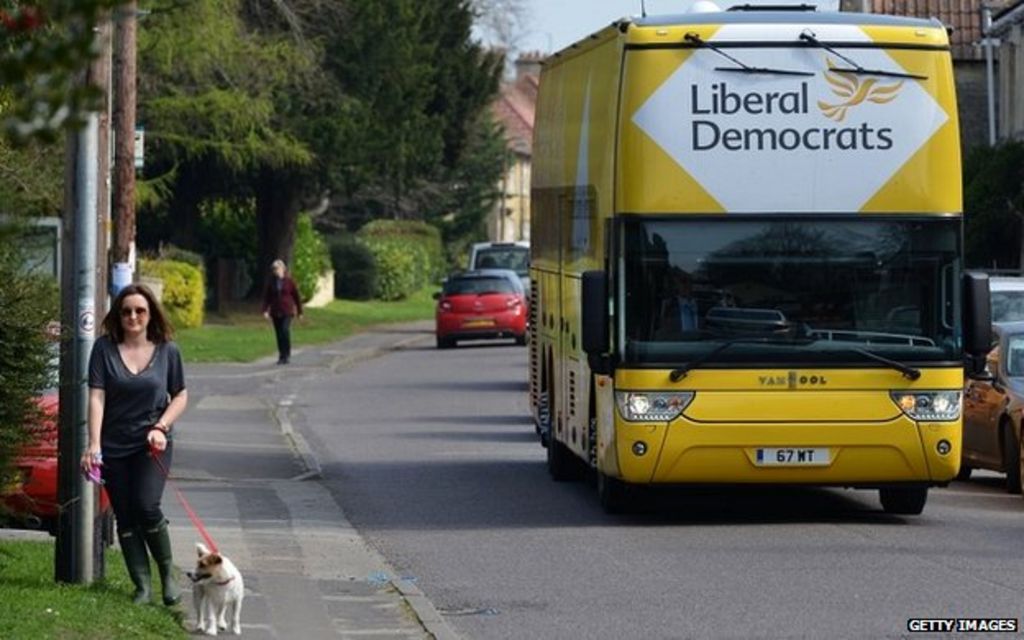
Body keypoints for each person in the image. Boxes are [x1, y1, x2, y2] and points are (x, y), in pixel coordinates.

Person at [80, 283, 188, 605]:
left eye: (140, 310)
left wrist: (161, 426)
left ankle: (167, 576)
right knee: (125, 515)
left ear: (150, 313)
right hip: (113, 446)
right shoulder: (103, 348)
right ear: (118, 314)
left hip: (152, 444)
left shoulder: (168, 350)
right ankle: (142, 587)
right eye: (126, 311)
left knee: (146, 505)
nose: (133, 316)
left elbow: (180, 395)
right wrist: (94, 444)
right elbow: (97, 397)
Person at [262, 259, 303, 365]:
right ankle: (281, 355)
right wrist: (265, 310)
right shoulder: (271, 282)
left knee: (285, 331)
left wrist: (300, 311)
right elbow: (267, 297)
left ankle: (287, 354)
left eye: (278, 269)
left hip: (287, 311)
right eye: (274, 269)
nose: (276, 271)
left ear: (283, 269)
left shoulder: (289, 281)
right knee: (279, 333)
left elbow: (296, 296)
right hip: (275, 311)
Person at [657, 269, 700, 337]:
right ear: (676, 285)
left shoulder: (702, 304)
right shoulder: (668, 305)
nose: (687, 285)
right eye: (683, 282)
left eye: (690, 282)